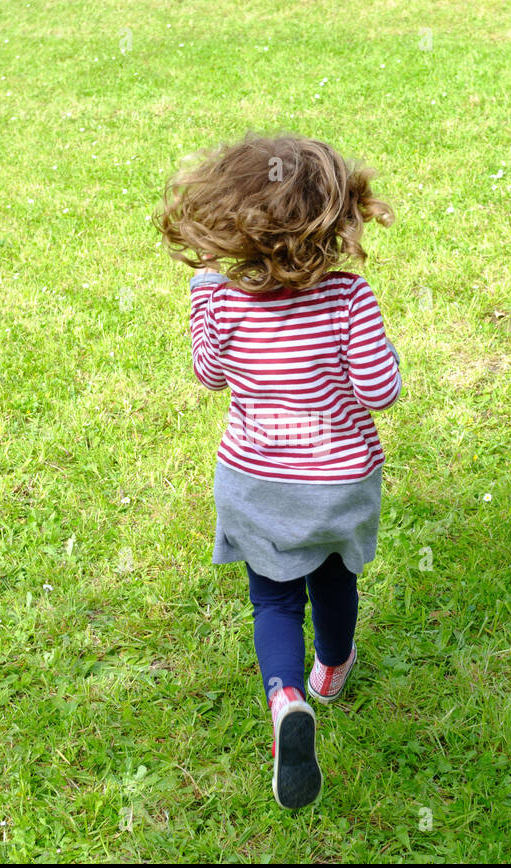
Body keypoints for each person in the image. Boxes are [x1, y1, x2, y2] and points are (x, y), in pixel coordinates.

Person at [157, 131, 402, 810]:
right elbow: (380, 390)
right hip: (335, 485)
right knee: (332, 576)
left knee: (271, 598)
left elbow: (209, 374)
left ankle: (286, 696)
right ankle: (331, 667)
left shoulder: (224, 300)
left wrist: (203, 295)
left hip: (257, 484)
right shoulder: (348, 298)